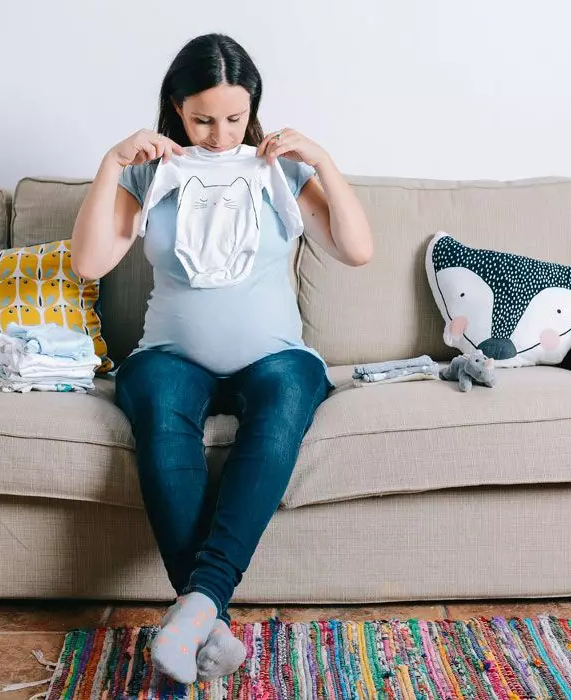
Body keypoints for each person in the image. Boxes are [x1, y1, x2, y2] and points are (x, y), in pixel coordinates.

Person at [70, 33, 372, 684]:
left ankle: (196, 608)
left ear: (253, 108)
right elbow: (89, 261)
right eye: (203, 118)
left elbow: (357, 249)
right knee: (156, 406)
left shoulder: (279, 170)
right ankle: (210, 618)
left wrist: (320, 159)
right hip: (169, 356)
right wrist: (110, 164)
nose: (217, 135)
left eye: (234, 118)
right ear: (176, 107)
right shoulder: (152, 172)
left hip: (276, 360)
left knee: (290, 397)